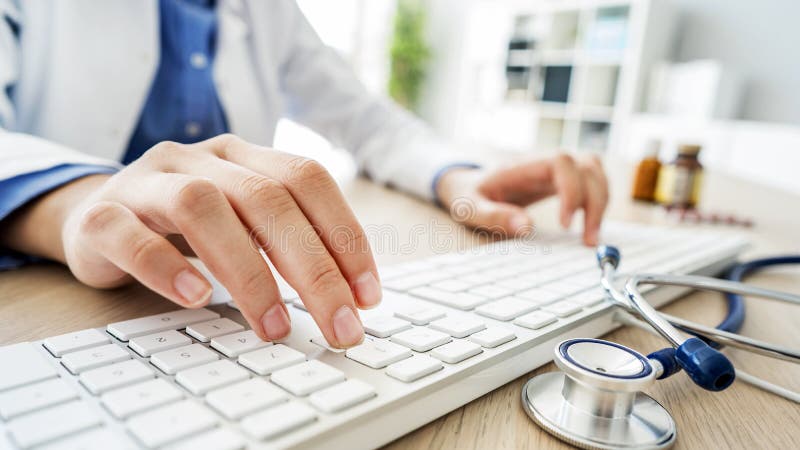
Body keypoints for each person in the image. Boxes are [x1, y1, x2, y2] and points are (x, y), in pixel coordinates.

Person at [0, 1, 608, 349]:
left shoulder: (267, 9)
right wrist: (78, 209)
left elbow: (369, 122)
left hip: (227, 293)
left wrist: (457, 177)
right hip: (60, 300)